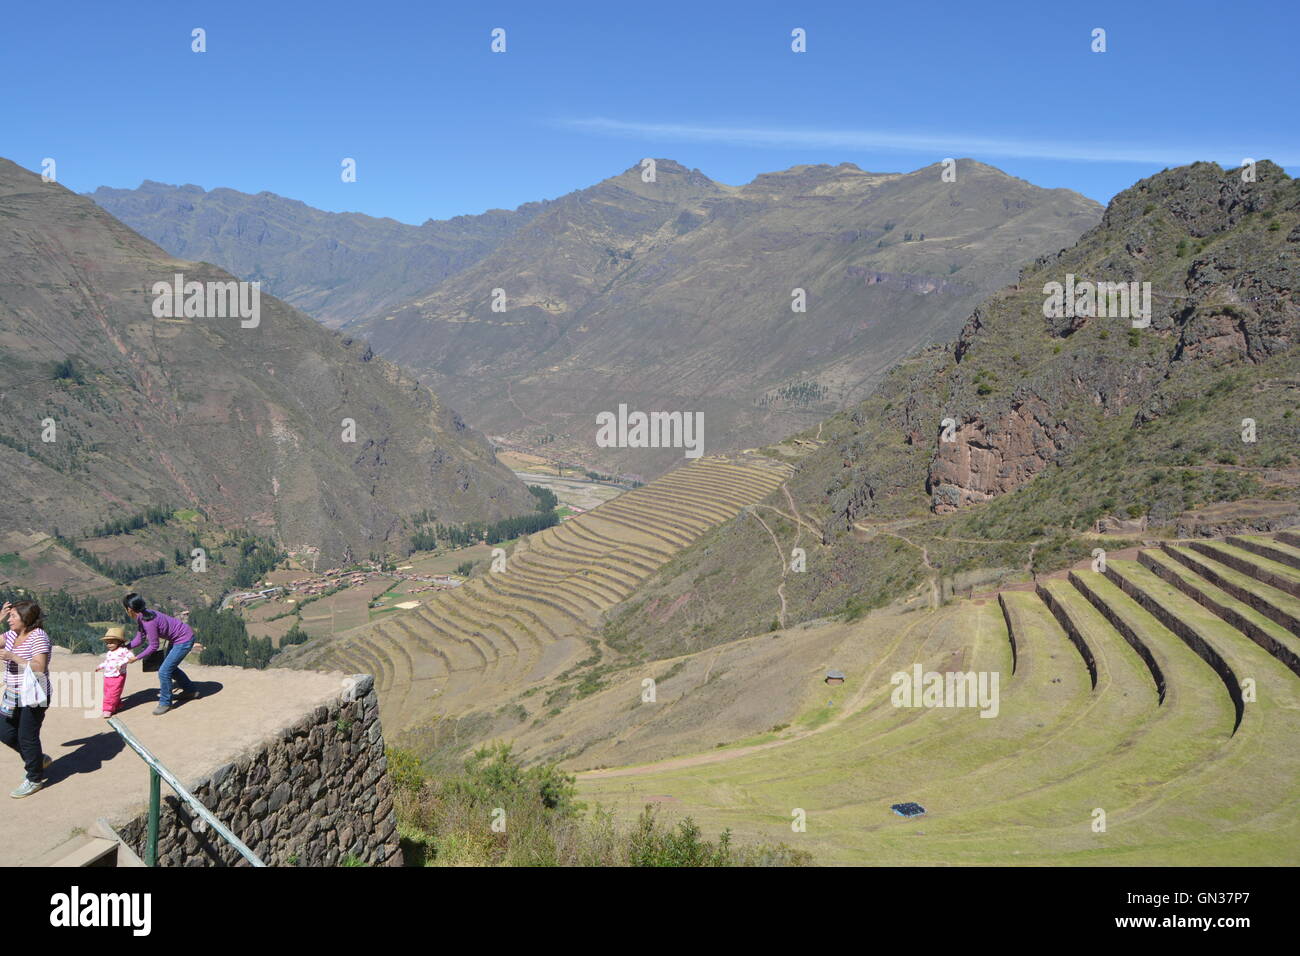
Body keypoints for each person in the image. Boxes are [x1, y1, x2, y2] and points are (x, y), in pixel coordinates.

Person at [0, 600, 53, 797]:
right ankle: (38, 759)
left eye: (13, 616)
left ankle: (34, 778)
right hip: (13, 694)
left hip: (35, 693)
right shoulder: (14, 634)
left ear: (26, 618)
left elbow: (39, 667)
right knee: (4, 731)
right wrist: (0, 617)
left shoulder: (39, 637)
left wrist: (12, 657)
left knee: (27, 736)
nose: (9, 620)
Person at [122, 593, 199, 715]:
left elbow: (154, 646)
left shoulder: (148, 621)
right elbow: (139, 639)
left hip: (184, 640)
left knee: (164, 671)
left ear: (130, 609)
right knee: (169, 668)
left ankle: (165, 703)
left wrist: (136, 657)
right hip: (178, 638)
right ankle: (190, 691)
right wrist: (125, 647)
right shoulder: (144, 615)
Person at [95, 626, 134, 718]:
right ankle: (117, 704)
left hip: (118, 675)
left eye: (112, 642)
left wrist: (121, 663)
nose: (109, 645)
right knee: (107, 691)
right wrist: (100, 666)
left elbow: (131, 657)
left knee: (113, 693)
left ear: (119, 642)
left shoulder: (123, 650)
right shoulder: (109, 653)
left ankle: (107, 709)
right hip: (108, 675)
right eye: (107, 643)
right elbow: (107, 662)